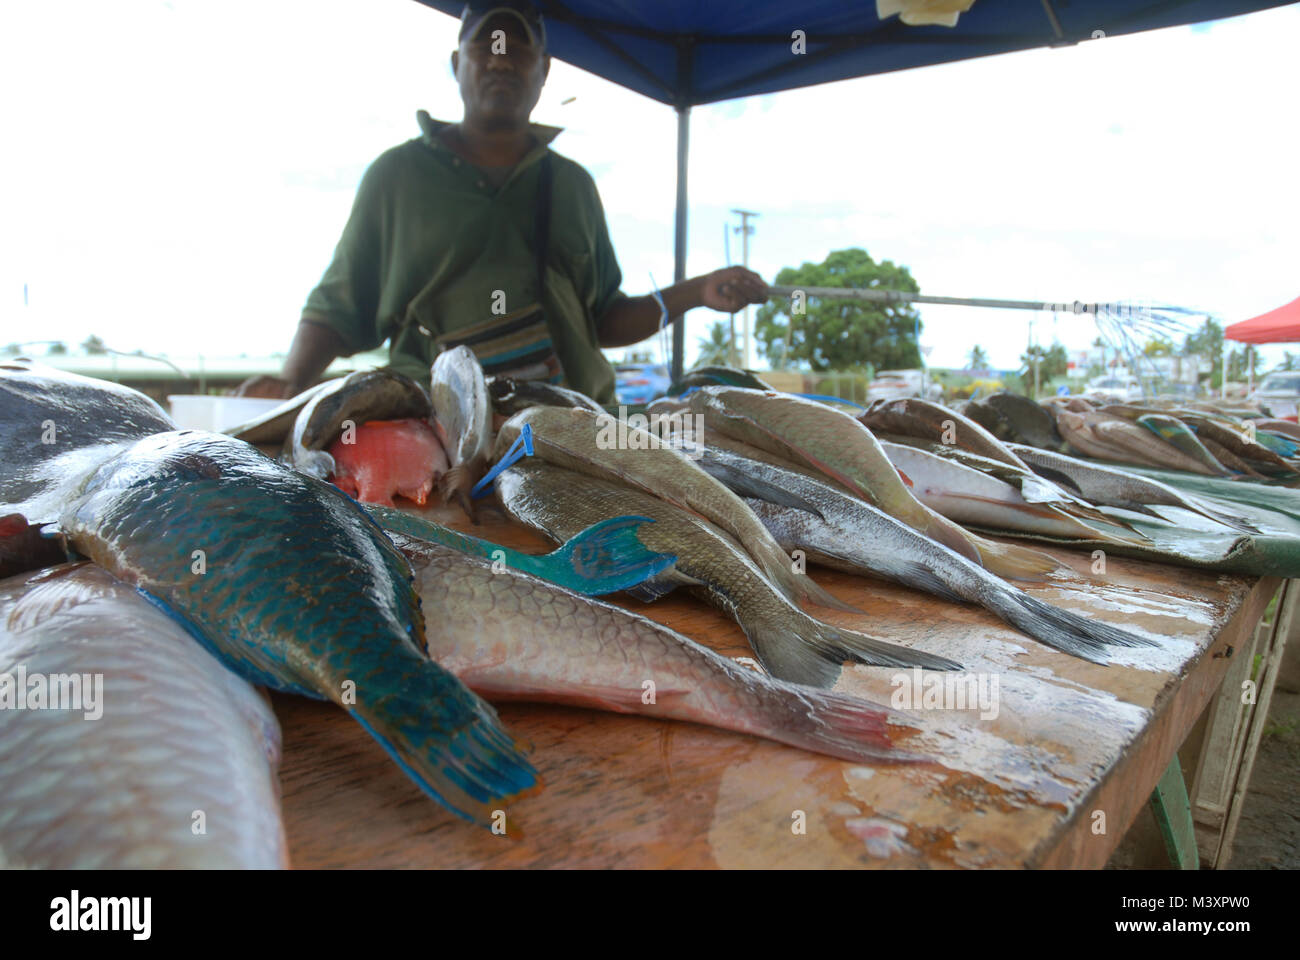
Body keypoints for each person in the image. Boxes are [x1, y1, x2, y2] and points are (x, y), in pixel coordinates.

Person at [238, 0, 766, 403]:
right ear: (456, 63)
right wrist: (289, 381)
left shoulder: (574, 185)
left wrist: (696, 291)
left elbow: (604, 321)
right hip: (439, 434)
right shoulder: (396, 177)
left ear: (545, 69)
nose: (501, 61)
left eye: (518, 48)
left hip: (574, 431)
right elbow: (337, 308)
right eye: (484, 47)